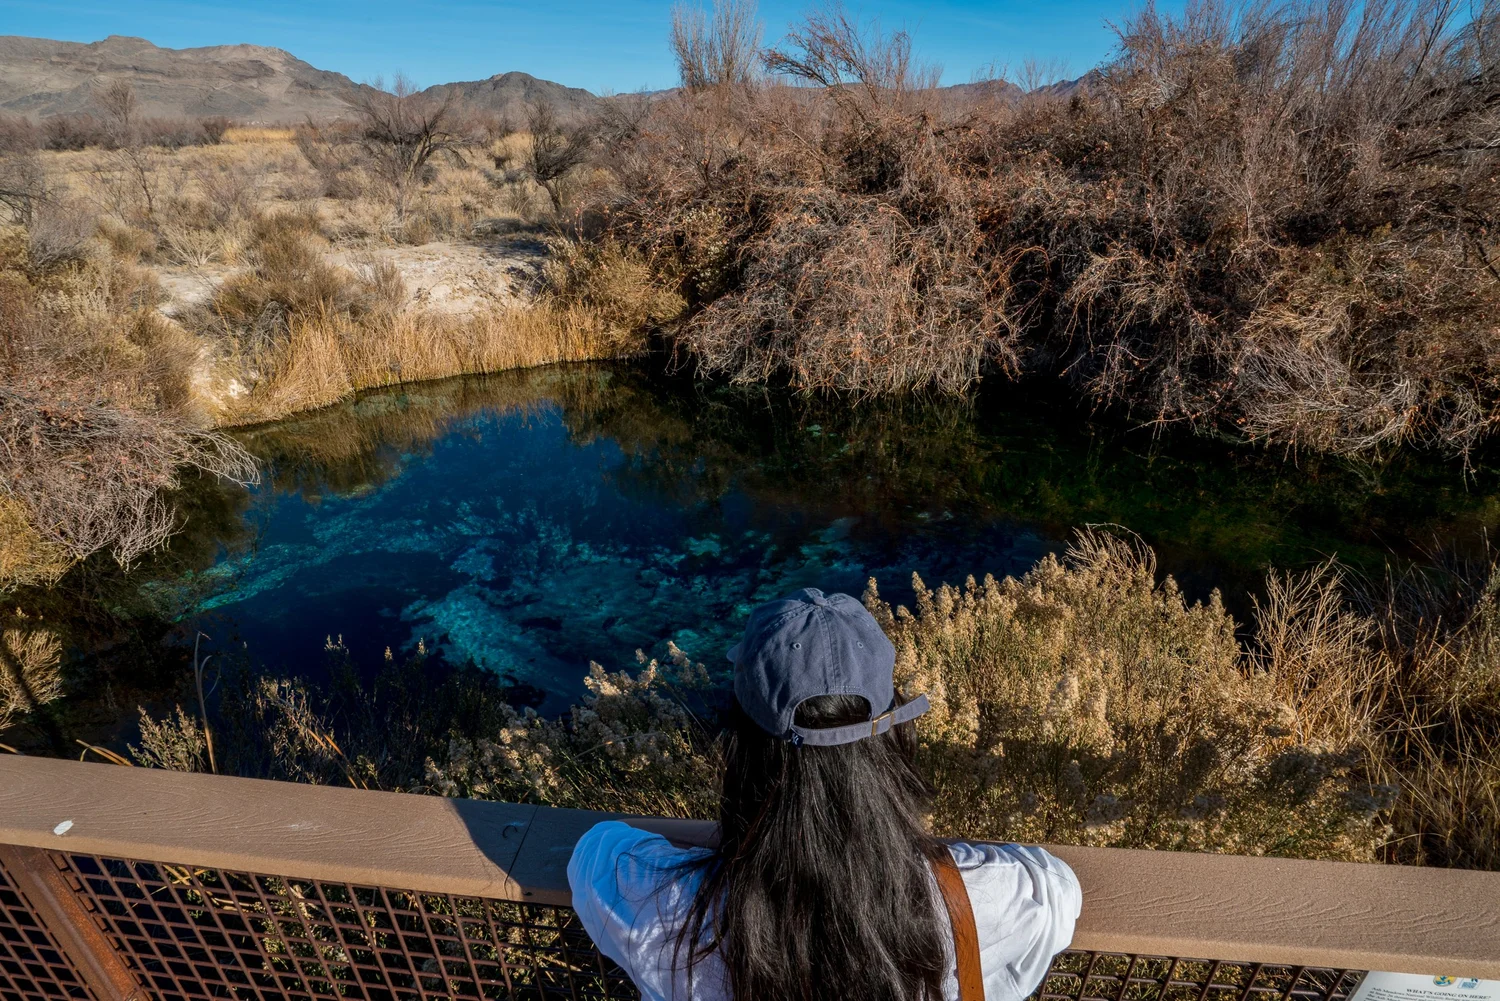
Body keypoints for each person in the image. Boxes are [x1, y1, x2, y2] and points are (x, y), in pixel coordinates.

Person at [569, 588, 1082, 1001]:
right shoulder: (983, 901)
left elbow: (596, 847)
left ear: (746, 750)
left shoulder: (669, 911)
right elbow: (1057, 884)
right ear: (889, 737)